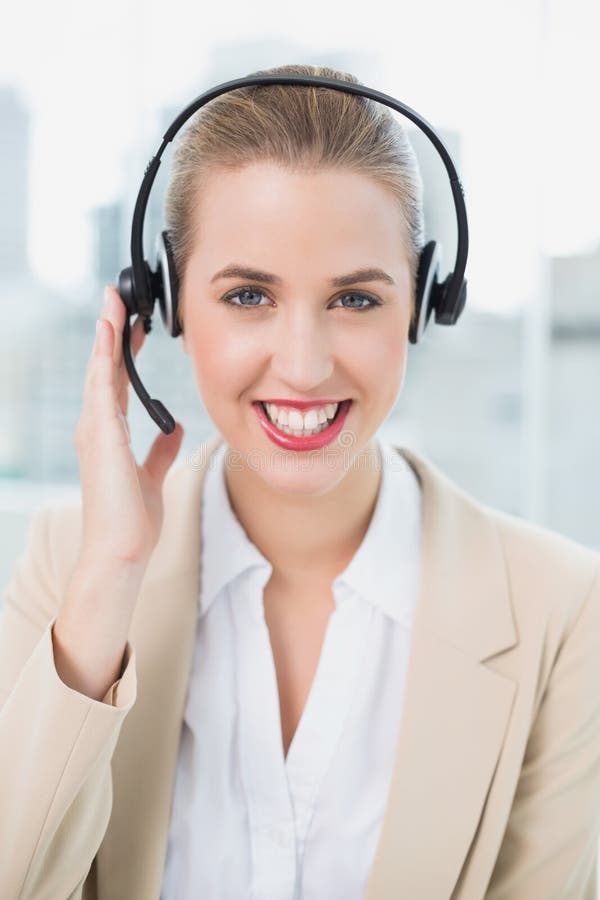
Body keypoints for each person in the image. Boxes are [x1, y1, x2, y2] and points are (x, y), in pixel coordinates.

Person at [1, 62, 600, 900]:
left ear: (425, 305)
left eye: (355, 300)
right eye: (248, 295)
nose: (305, 365)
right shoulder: (71, 565)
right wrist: (111, 576)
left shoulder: (563, 611)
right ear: (164, 306)